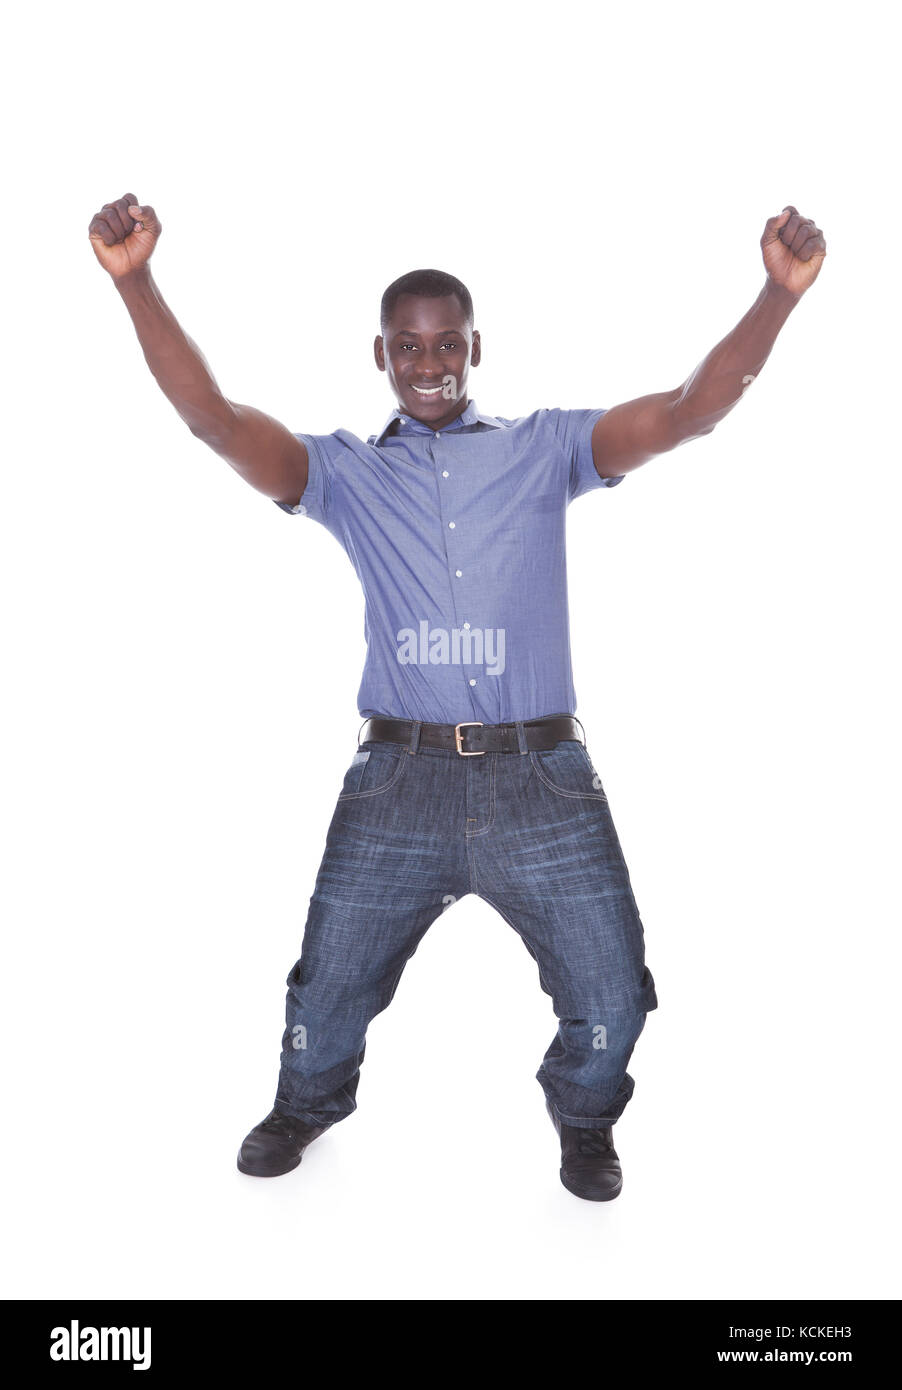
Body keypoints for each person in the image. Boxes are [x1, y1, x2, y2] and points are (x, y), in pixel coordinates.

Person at [88, 194, 826, 1200]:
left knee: (611, 985)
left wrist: (772, 298)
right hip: (397, 780)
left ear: (475, 346)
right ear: (380, 355)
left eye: (444, 343)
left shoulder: (545, 448)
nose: (427, 362)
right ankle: (306, 1100)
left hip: (541, 782)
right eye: (406, 346)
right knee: (329, 980)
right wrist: (135, 281)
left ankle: (583, 1113)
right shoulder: (342, 475)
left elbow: (688, 410)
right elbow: (211, 421)